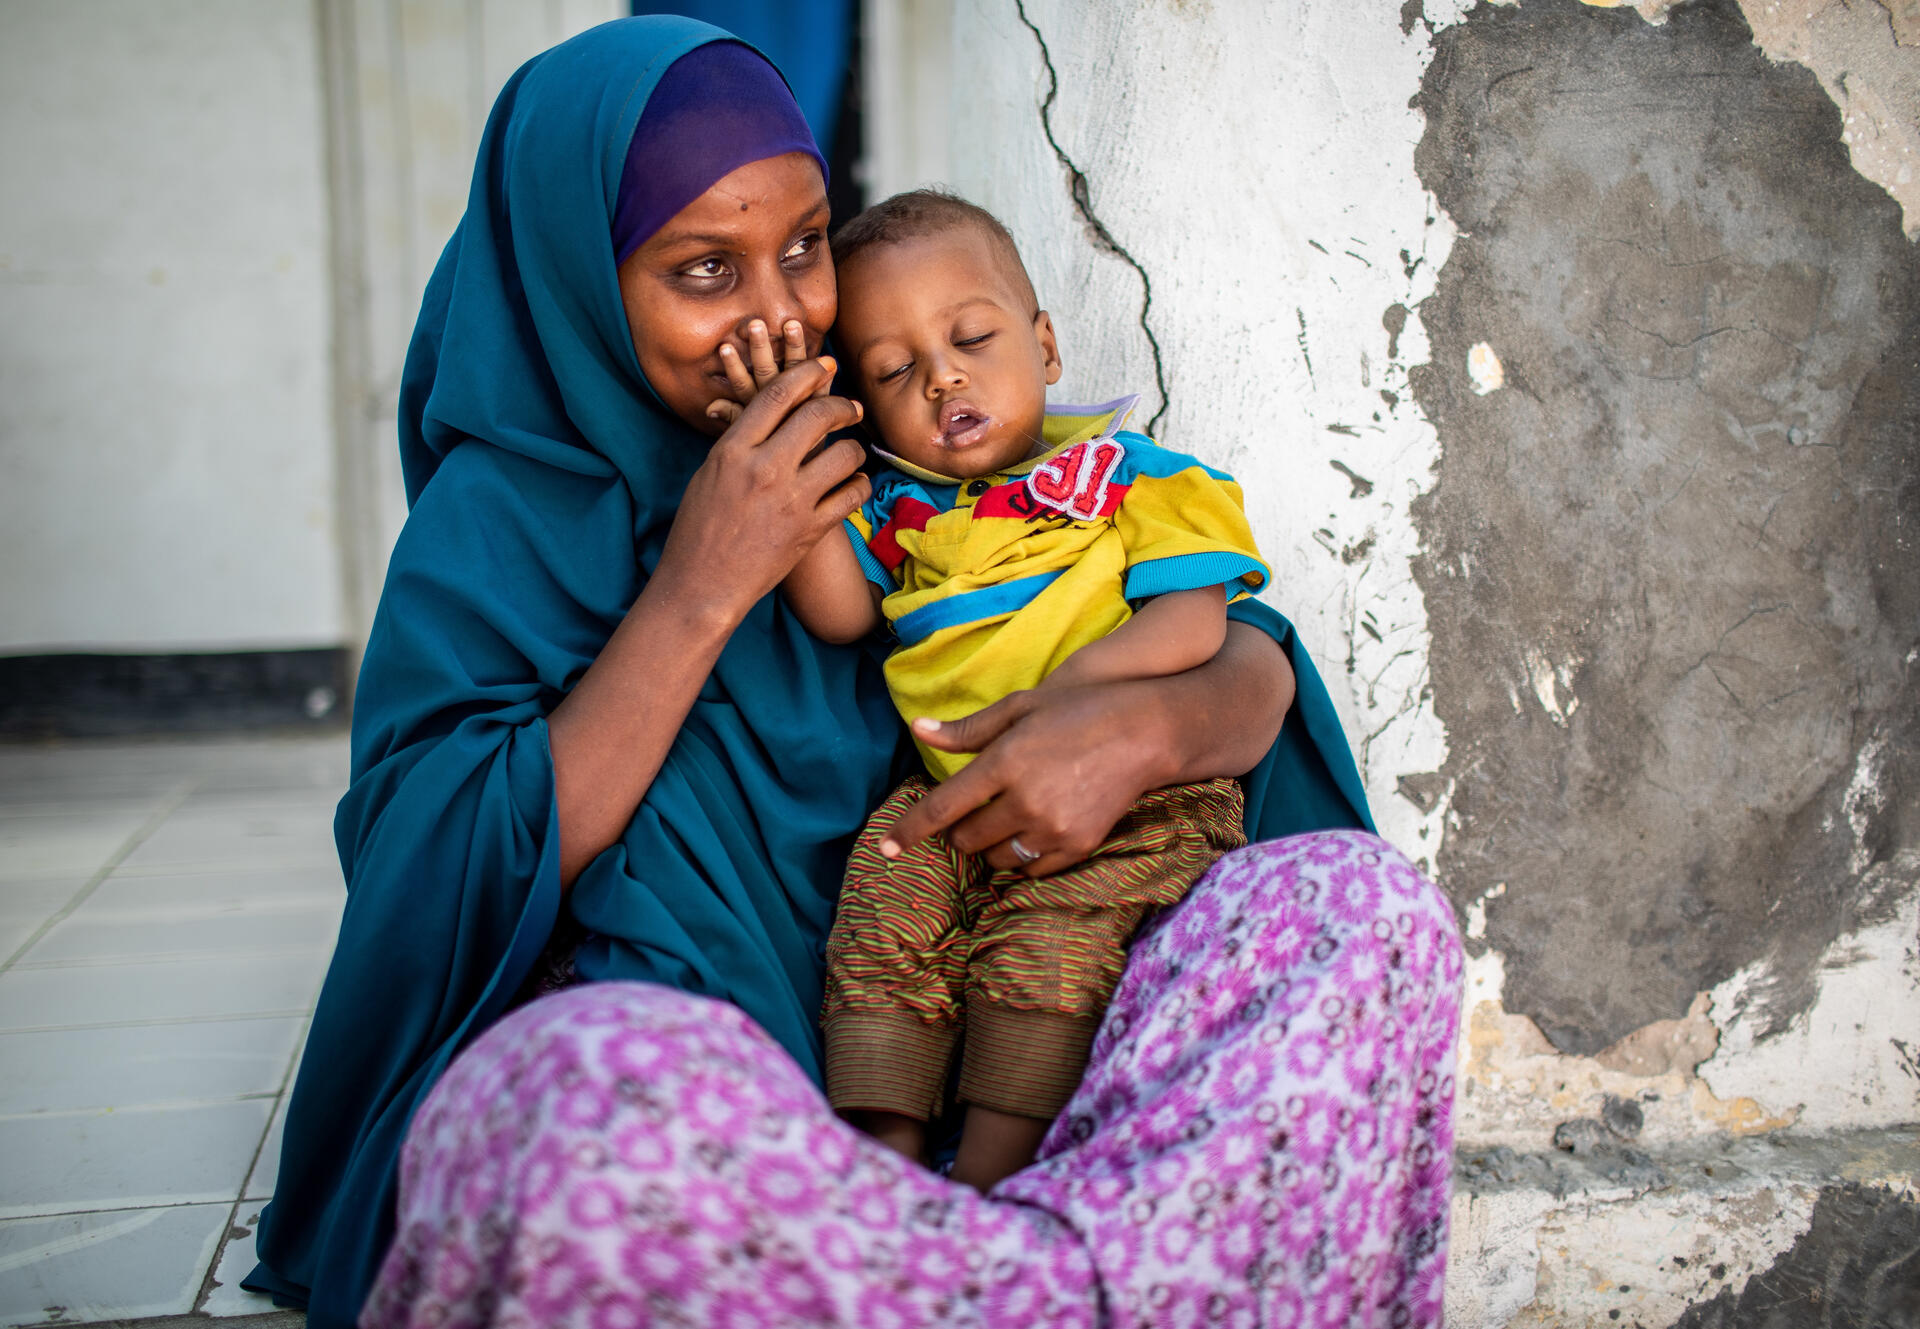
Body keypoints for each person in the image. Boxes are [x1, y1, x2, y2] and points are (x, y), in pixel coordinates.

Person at [244, 16, 1462, 1329]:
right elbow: (439, 878)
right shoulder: (501, 527)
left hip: (1025, 1074)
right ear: (581, 282)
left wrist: (1152, 727)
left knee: (1362, 916)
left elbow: (1230, 648)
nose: (778, 317)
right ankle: (1031, 1280)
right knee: (578, 1098)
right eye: (704, 269)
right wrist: (704, 584)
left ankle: (1005, 1265)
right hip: (750, 1141)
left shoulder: (885, 434)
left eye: (806, 247)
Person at [785, 190, 1270, 1190]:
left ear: (1044, 345)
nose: (942, 375)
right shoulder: (902, 515)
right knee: (882, 908)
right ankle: (890, 1169)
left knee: (1048, 949)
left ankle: (992, 1189)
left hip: (1135, 797)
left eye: (971, 336)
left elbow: (1192, 620)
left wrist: (1066, 704)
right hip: (949, 796)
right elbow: (837, 613)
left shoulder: (1132, 477)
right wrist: (796, 447)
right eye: (892, 371)